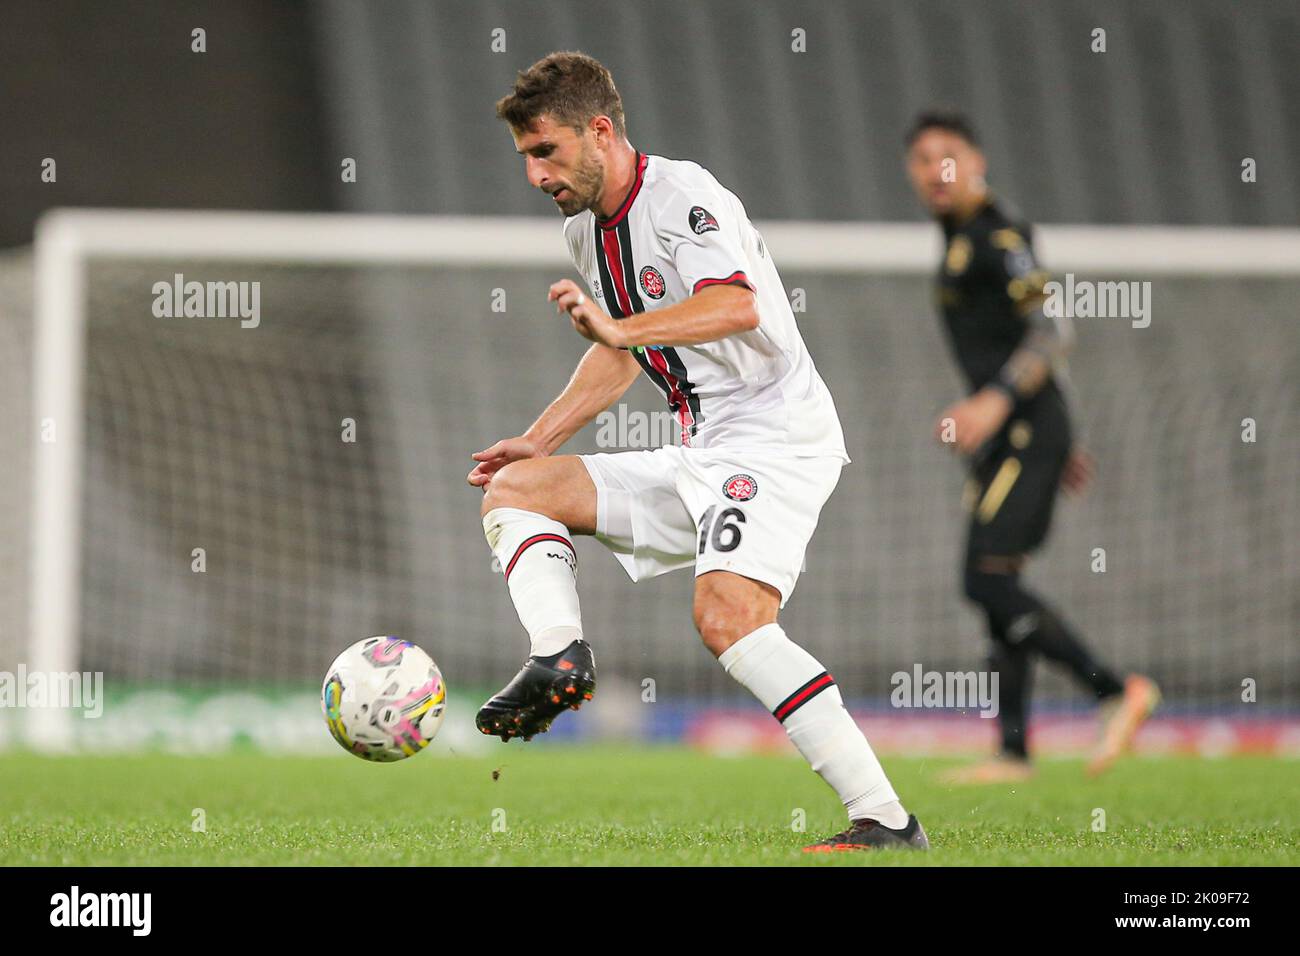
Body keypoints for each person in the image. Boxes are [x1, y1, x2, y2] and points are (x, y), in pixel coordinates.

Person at [466, 51, 927, 851]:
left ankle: (886, 820)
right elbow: (620, 353)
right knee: (517, 491)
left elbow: (735, 305)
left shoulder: (684, 197)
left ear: (599, 132)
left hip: (775, 441)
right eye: (526, 158)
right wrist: (537, 439)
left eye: (546, 151)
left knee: (729, 616)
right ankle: (559, 660)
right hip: (699, 447)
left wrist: (620, 328)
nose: (536, 174)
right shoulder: (585, 233)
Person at [903, 110, 1159, 782]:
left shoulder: (999, 232)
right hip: (1024, 433)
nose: (937, 170)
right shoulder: (958, 239)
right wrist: (1055, 435)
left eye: (950, 155)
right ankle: (1013, 752)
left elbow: (1052, 329)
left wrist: (1001, 406)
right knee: (998, 582)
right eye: (924, 159)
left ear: (978, 161)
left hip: (1020, 426)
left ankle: (1115, 690)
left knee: (983, 577)